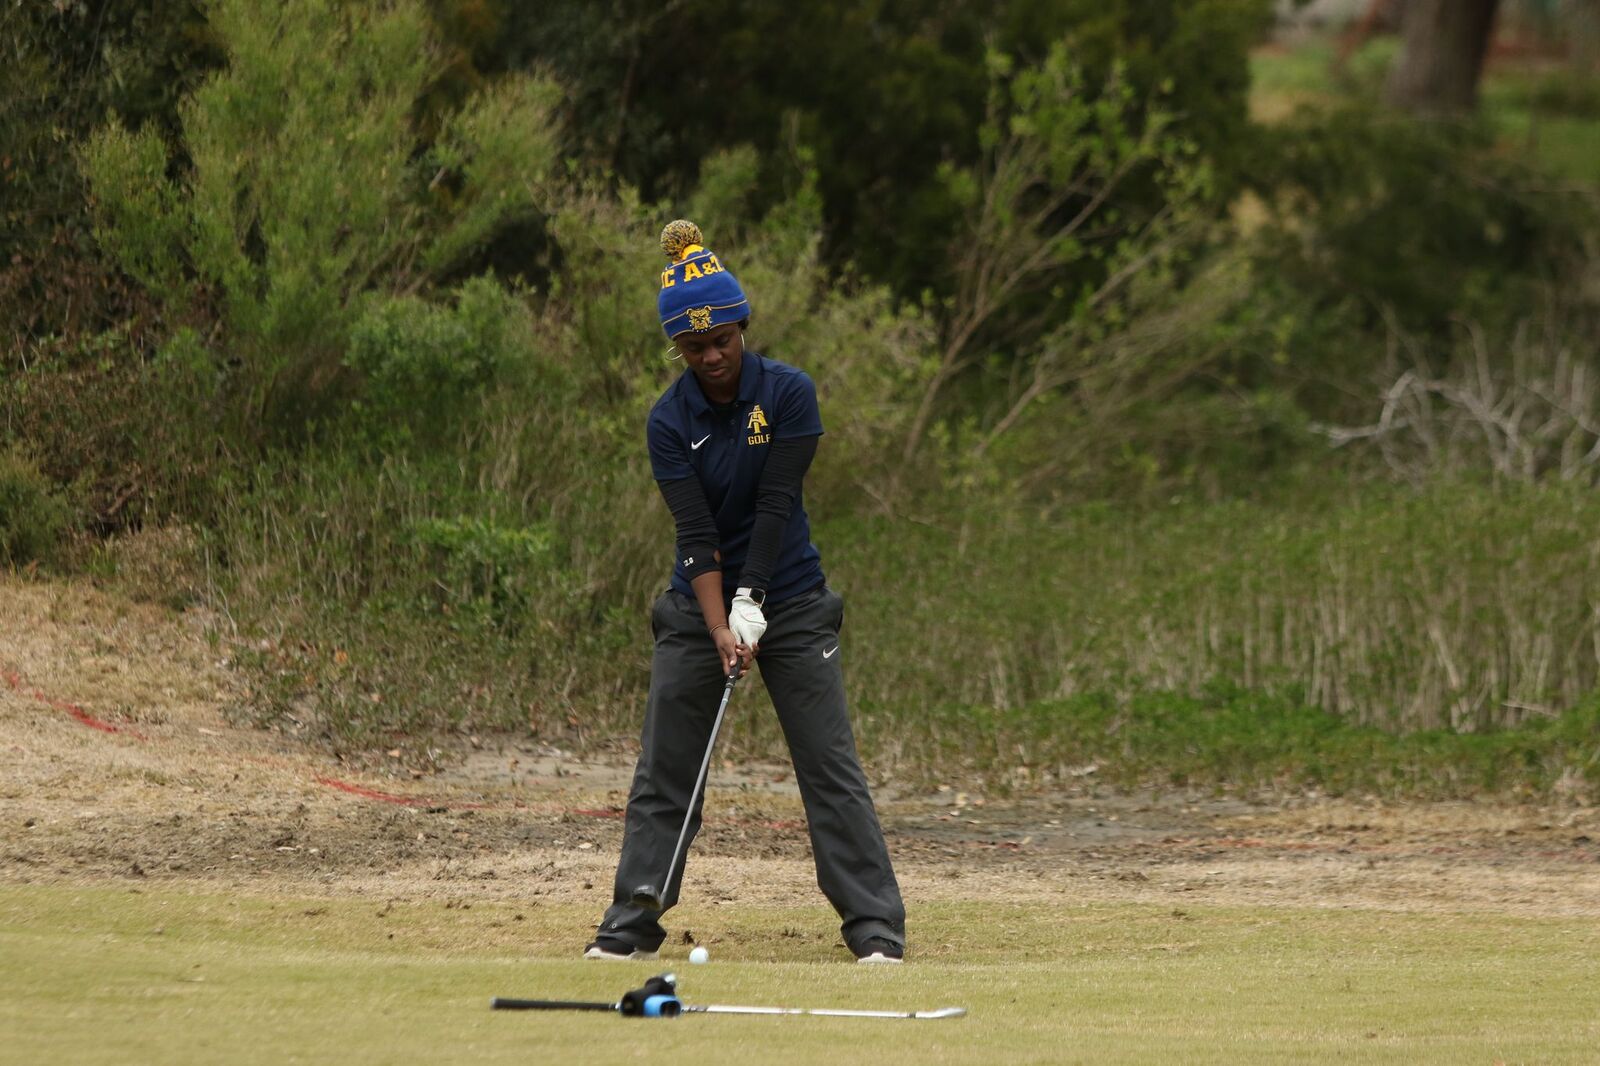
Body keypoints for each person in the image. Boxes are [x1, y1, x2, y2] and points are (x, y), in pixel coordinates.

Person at [584, 220, 906, 964]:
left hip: (791, 598)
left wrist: (752, 603)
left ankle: (875, 926)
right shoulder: (669, 420)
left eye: (721, 340)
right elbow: (695, 532)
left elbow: (774, 505)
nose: (711, 356)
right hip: (697, 605)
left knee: (829, 768)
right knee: (665, 771)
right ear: (679, 349)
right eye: (694, 347)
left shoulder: (789, 393)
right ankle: (632, 921)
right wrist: (719, 625)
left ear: (742, 328)